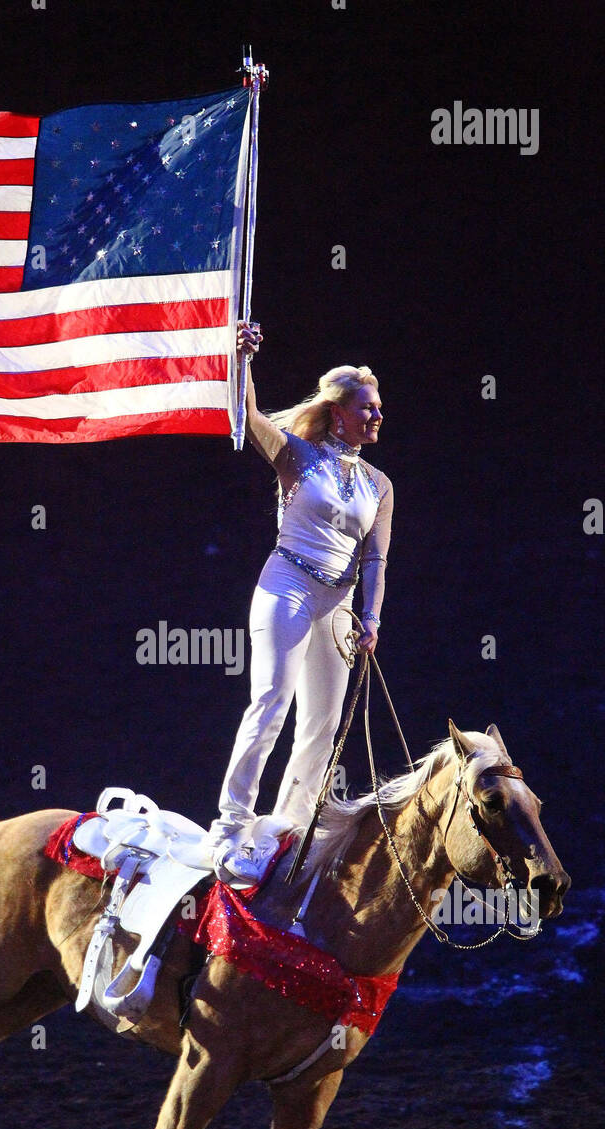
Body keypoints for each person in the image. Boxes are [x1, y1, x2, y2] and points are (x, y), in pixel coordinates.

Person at [205, 320, 394, 885]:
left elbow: (376, 560)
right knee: (270, 704)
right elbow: (251, 414)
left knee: (323, 721)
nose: (378, 416)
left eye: (379, 408)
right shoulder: (298, 456)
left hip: (338, 604)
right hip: (287, 584)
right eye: (368, 408)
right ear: (339, 413)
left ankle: (288, 828)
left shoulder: (379, 485)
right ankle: (232, 825)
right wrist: (243, 359)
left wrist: (372, 615)